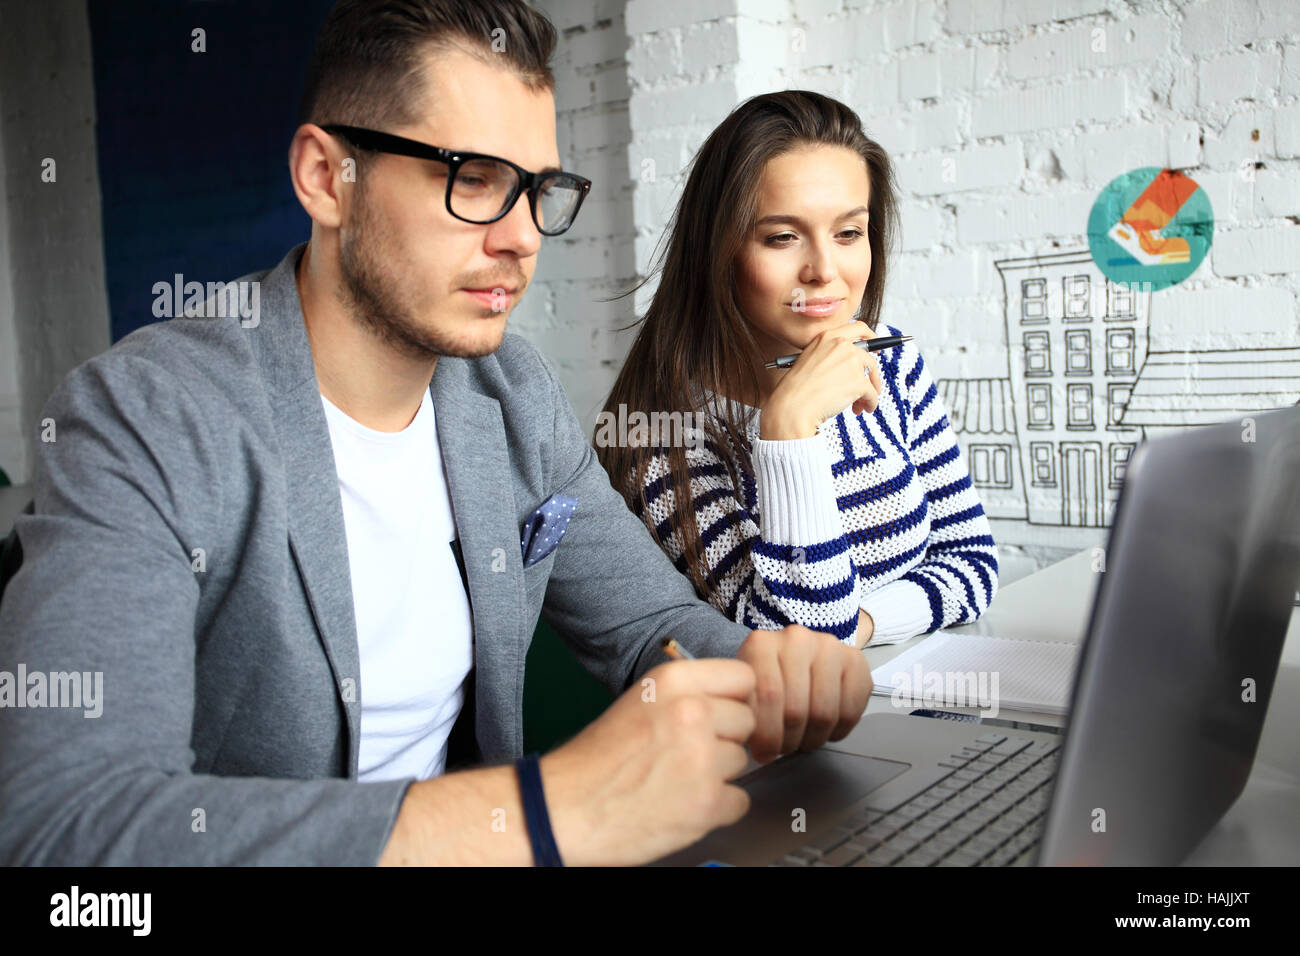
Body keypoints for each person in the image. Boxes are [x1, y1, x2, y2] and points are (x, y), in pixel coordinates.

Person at [0, 0, 872, 867]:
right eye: (476, 179)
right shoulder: (144, 416)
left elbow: (652, 626)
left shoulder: (512, 392)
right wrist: (543, 810)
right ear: (324, 177)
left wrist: (780, 671)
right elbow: (63, 825)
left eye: (538, 191)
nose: (523, 237)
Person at [596, 91, 999, 650]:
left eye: (849, 233)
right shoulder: (660, 434)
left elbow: (972, 563)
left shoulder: (891, 361)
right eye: (782, 237)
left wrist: (865, 625)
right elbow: (799, 641)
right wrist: (788, 433)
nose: (825, 270)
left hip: (899, 694)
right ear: (719, 250)